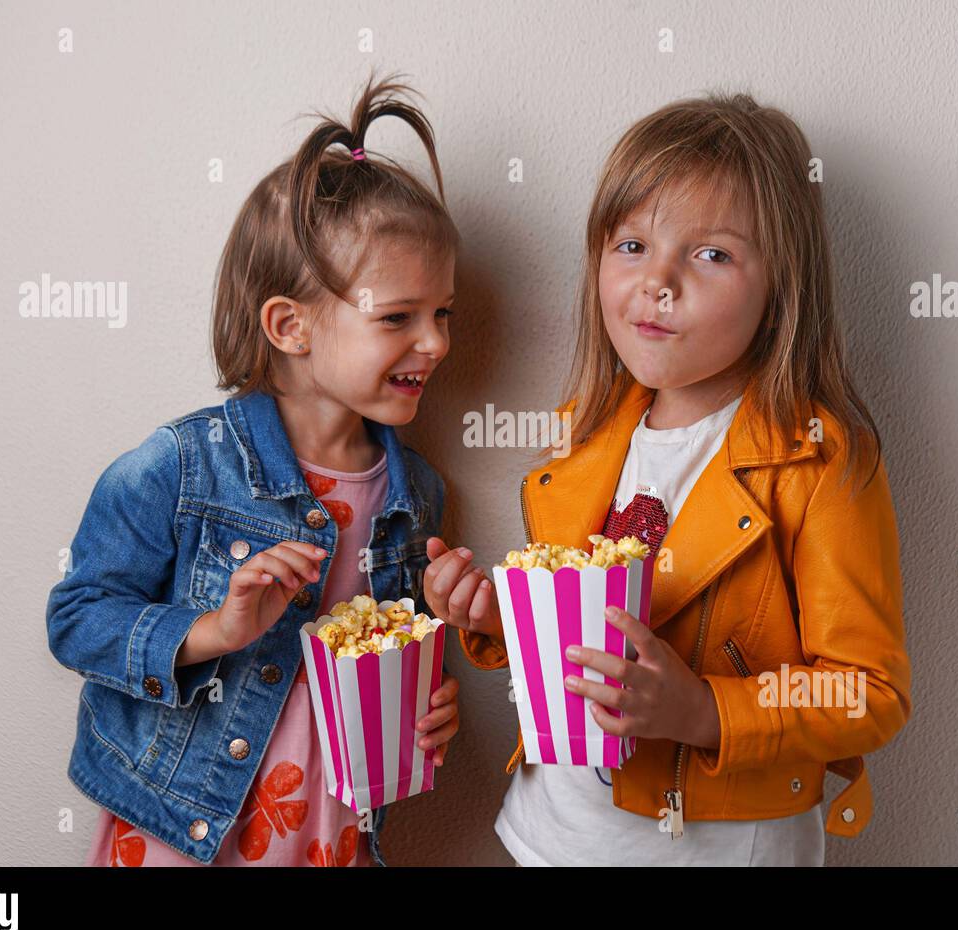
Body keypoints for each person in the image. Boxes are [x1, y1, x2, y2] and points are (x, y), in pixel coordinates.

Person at [427, 90, 912, 866]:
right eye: (631, 246)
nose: (660, 281)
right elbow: (587, 650)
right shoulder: (584, 435)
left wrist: (705, 711)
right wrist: (496, 619)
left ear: (781, 287)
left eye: (711, 254)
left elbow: (866, 692)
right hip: (554, 836)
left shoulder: (821, 461)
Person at [47, 73, 461, 866]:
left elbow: (389, 661)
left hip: (329, 836)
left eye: (442, 313)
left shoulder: (419, 497)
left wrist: (429, 708)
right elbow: (77, 618)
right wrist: (214, 630)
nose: (437, 342)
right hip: (180, 832)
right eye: (398, 317)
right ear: (290, 325)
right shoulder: (185, 465)